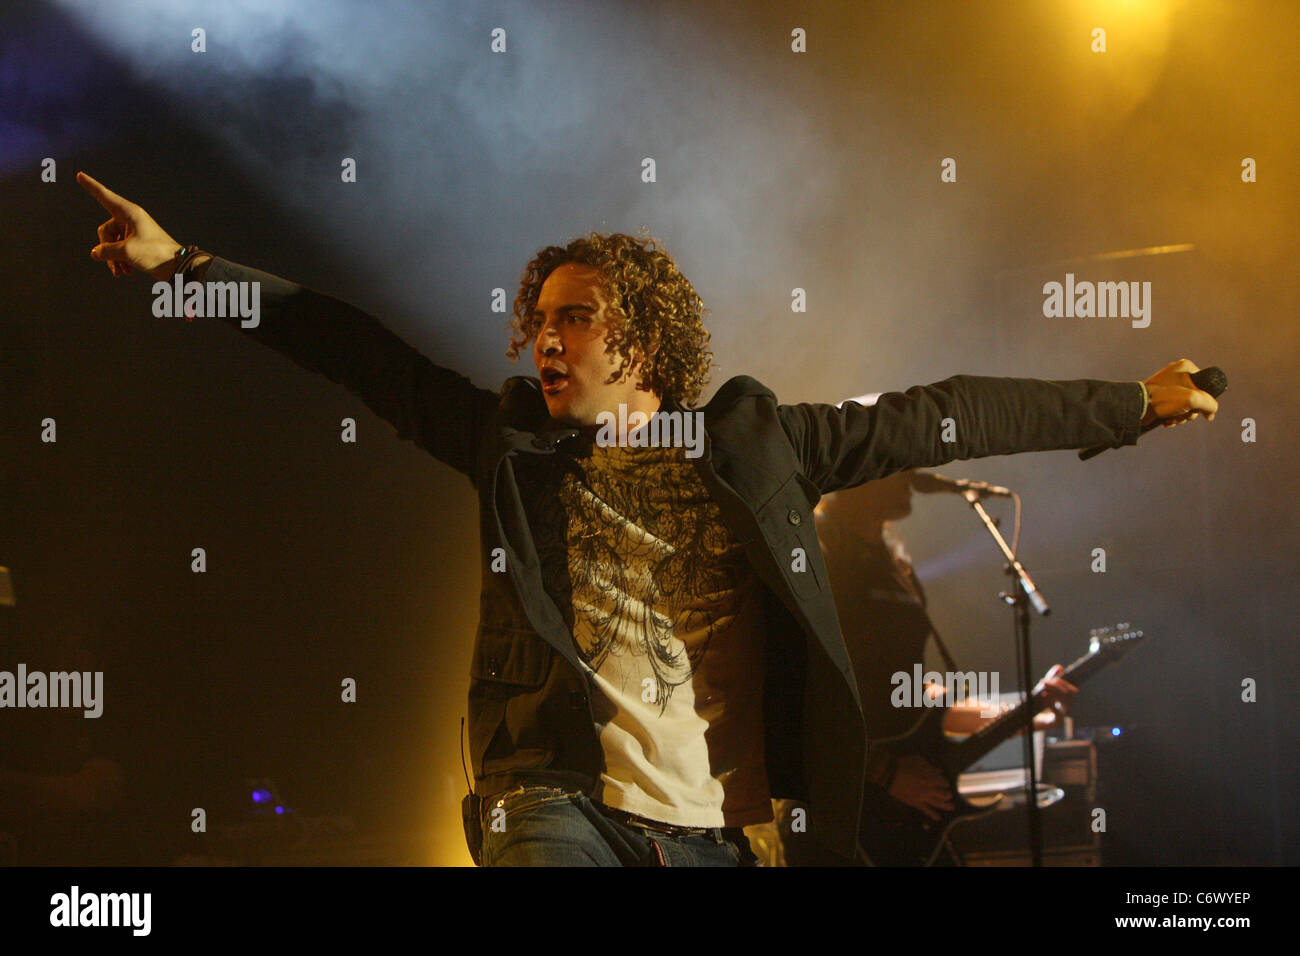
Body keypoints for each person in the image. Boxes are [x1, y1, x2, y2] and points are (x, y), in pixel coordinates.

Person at [75, 171, 1219, 866]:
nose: (544, 338)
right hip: (561, 803)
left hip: (725, 829)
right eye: (536, 320)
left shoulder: (758, 442)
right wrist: (184, 266)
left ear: (646, 342)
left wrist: (1126, 402)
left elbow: (944, 414)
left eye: (575, 316)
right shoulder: (514, 448)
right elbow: (354, 350)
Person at [770, 470, 1076, 865]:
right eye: (899, 465)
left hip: (899, 815)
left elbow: (919, 700)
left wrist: (1030, 713)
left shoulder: (896, 565)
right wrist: (886, 773)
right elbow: (795, 689)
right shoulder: (817, 552)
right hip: (836, 806)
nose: (912, 476)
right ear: (860, 471)